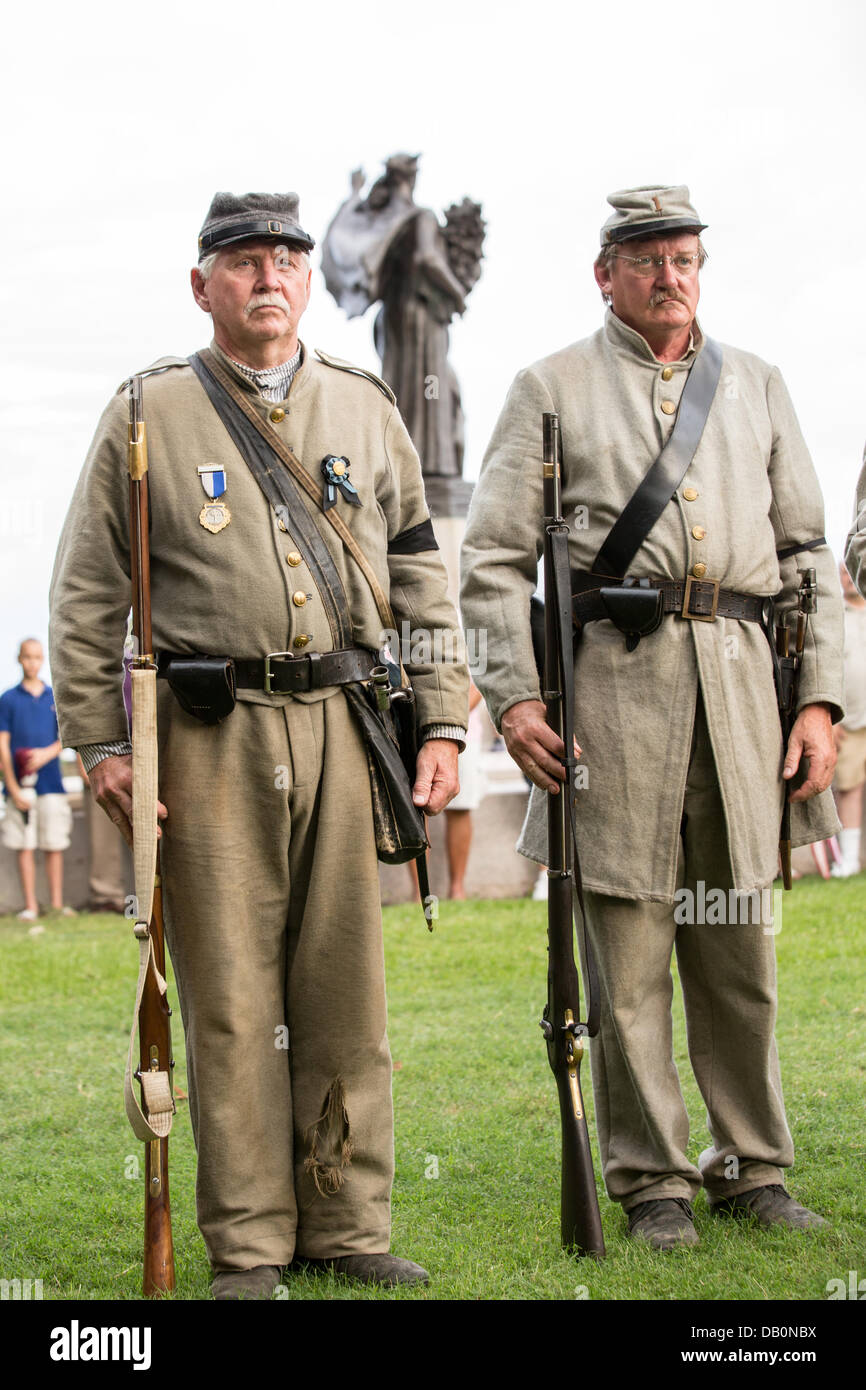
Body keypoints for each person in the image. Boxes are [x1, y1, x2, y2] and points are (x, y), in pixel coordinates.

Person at [49, 191, 468, 1299]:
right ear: (205, 285)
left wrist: (439, 714)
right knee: (231, 999)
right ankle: (247, 1247)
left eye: (284, 256)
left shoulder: (369, 409)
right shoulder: (147, 410)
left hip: (343, 725)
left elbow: (423, 574)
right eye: (242, 261)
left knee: (345, 989)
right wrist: (99, 746)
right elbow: (88, 593)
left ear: (303, 278)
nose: (268, 275)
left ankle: (346, 1224)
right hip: (205, 740)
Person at [461, 185, 843, 1251]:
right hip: (610, 699)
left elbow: (807, 552)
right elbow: (491, 560)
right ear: (605, 273)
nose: (669, 277)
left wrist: (817, 699)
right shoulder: (549, 386)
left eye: (684, 259)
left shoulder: (757, 385)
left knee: (738, 955)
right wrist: (515, 695)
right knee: (623, 957)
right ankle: (651, 1182)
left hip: (738, 695)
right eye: (647, 260)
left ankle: (752, 1164)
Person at [0, 638, 75, 922]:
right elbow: (3, 747)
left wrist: (46, 755)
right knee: (25, 845)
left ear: (42, 660)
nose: (32, 662)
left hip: (51, 784)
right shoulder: (8, 699)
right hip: (20, 788)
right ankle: (30, 906)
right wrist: (13, 786)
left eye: (37, 657)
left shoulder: (53, 698)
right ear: (20, 659)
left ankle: (56, 904)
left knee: (54, 843)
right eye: (27, 657)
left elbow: (66, 738)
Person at [831, 560, 866, 875]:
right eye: (843, 572)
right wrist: (832, 717)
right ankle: (850, 860)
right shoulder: (833, 618)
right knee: (850, 788)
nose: (849, 578)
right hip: (851, 722)